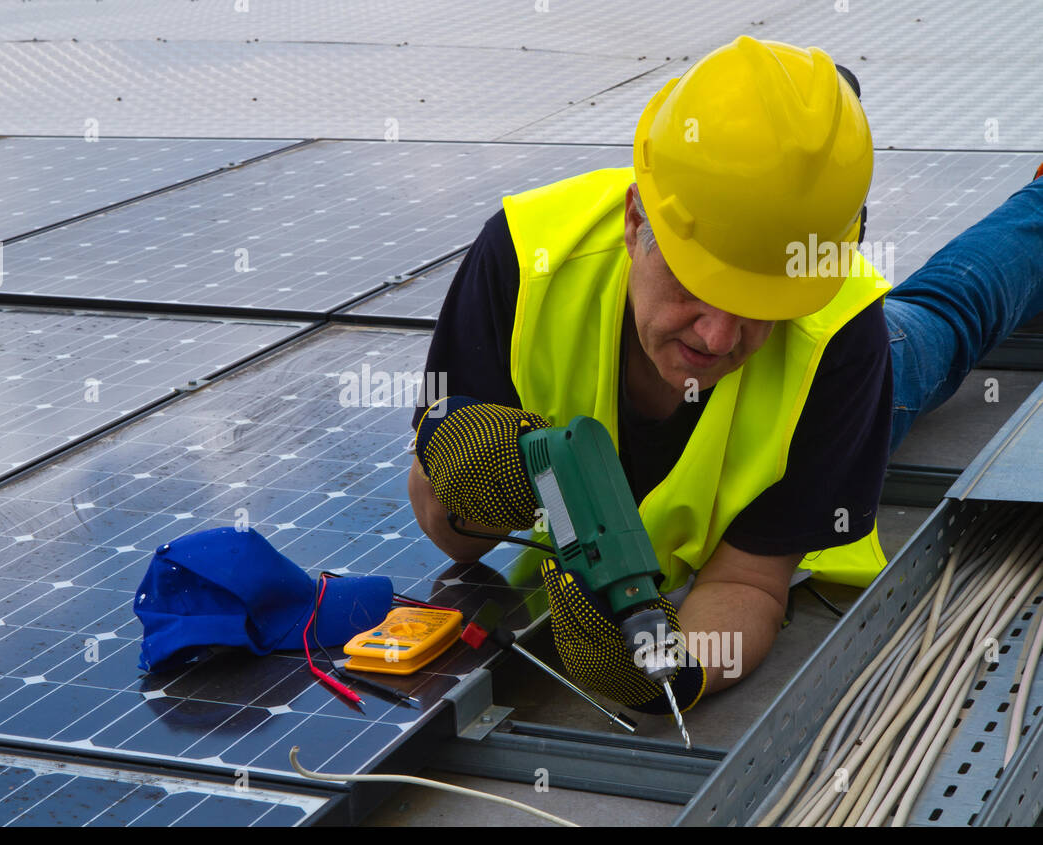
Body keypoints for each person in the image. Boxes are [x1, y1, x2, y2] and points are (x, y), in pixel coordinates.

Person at [406, 35, 1043, 717]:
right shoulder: (524, 261)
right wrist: (466, 487)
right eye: (694, 283)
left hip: (854, 384)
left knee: (946, 315)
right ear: (633, 221)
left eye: (759, 307)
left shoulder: (834, 337)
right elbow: (446, 525)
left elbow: (750, 581)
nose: (717, 338)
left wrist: (674, 675)